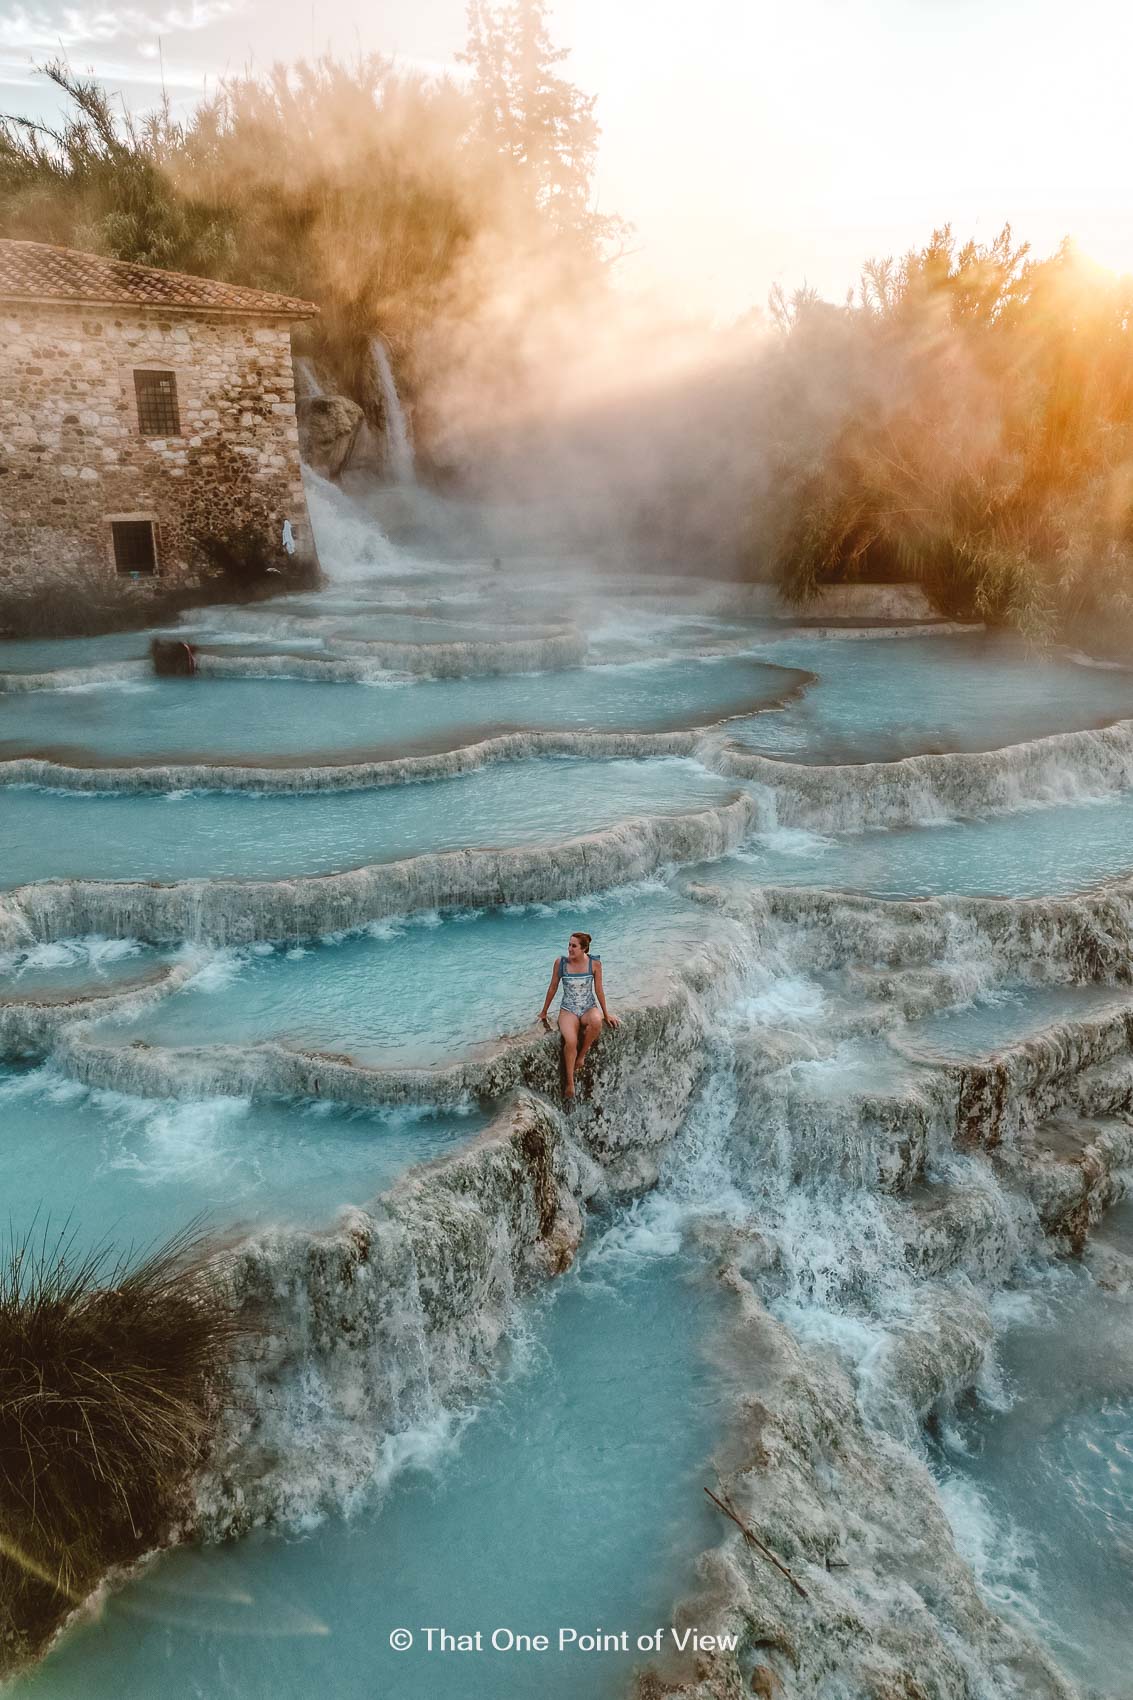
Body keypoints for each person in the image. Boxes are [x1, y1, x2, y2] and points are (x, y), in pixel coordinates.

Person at [538, 931, 620, 1102]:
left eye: (574, 946)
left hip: (588, 1006)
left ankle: (581, 1056)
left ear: (584, 949)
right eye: (569, 945)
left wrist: (606, 1014)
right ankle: (569, 1082)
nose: (569, 949)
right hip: (568, 1009)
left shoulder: (594, 964)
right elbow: (553, 987)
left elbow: (598, 990)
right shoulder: (560, 963)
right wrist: (544, 1011)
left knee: (596, 1022)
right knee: (571, 1041)